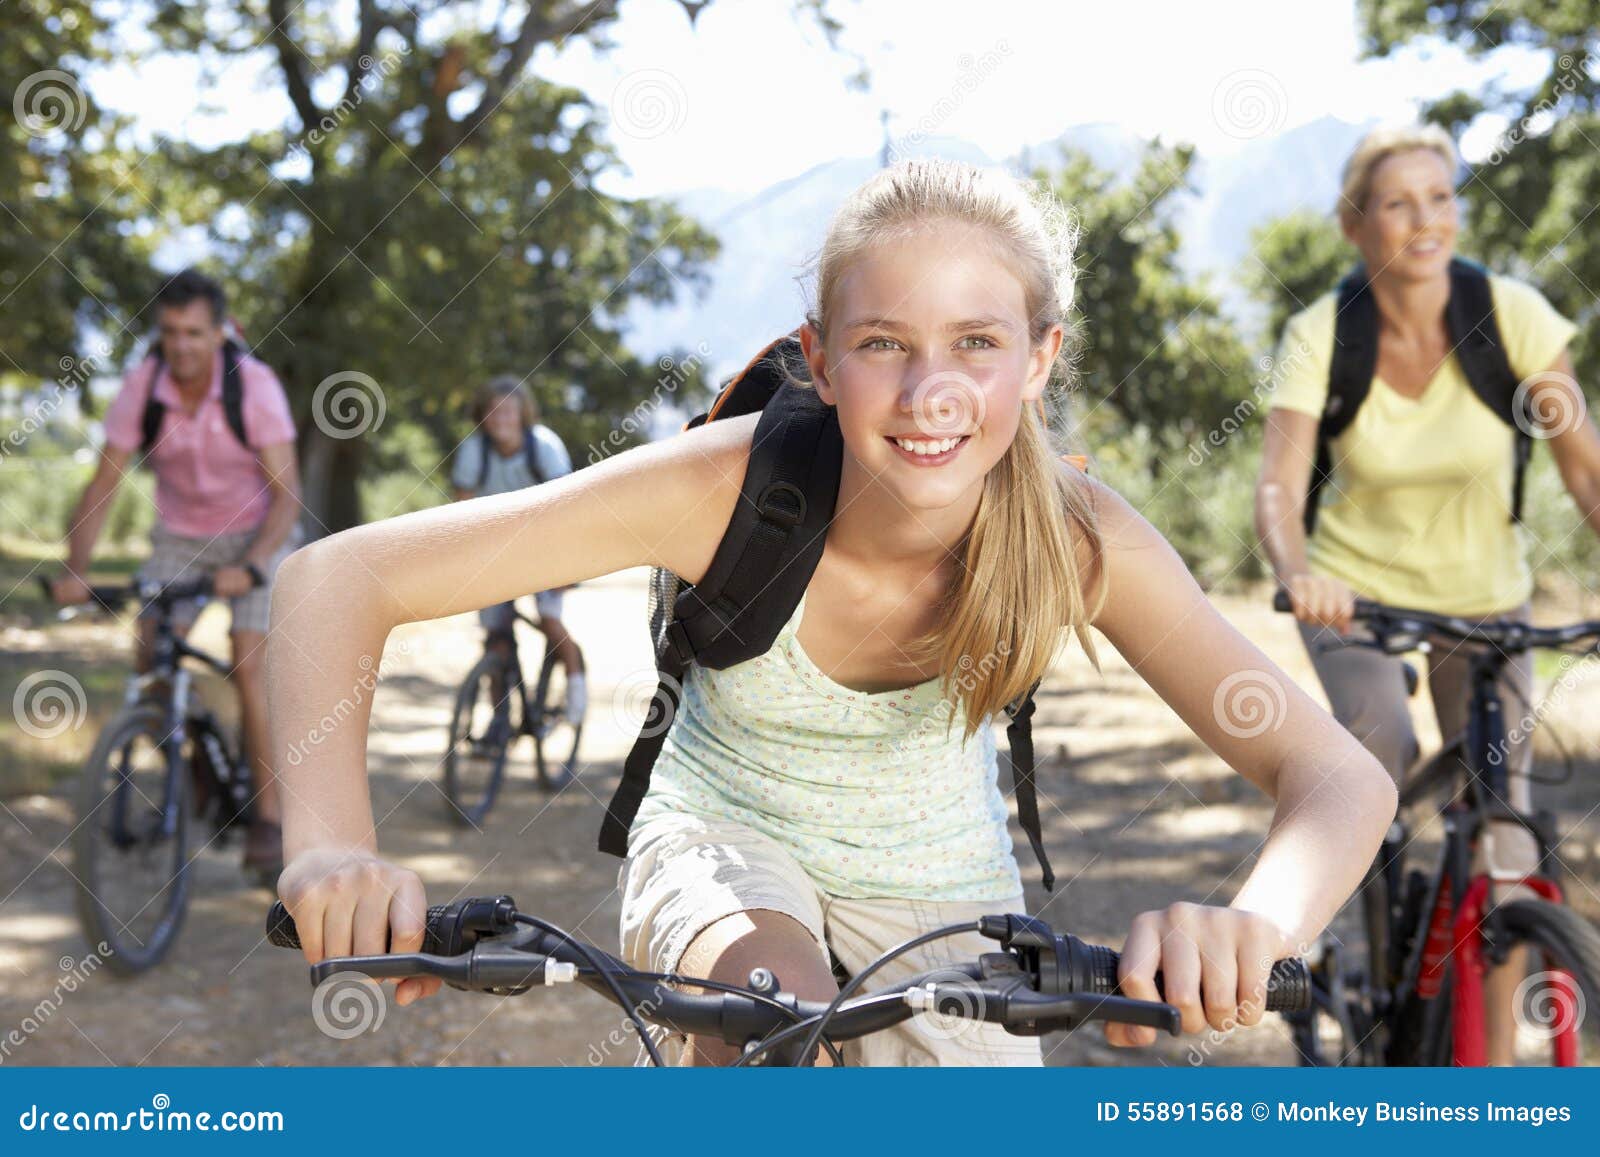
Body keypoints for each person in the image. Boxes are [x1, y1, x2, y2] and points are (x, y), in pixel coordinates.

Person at [269, 158, 1395, 1066]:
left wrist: (1255, 926)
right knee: (777, 1010)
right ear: (818, 357)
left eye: (976, 342)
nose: (928, 391)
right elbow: (338, 580)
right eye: (881, 344)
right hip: (725, 839)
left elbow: (1340, 774)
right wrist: (331, 850)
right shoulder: (721, 487)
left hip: (944, 884)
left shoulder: (1077, 538)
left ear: (1040, 359)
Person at [1255, 124, 1600, 1065]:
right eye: (1399, 202)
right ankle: (1369, 954)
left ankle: (1477, 1066)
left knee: (1507, 833)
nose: (1426, 220)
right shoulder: (1325, 332)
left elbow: (1586, 470)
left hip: (1489, 602)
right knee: (1380, 751)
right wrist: (1299, 574)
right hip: (1357, 599)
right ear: (1355, 225)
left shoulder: (1516, 315)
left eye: (1441, 197)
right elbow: (1280, 487)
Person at [51, 268, 302, 881]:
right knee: (150, 647)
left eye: (195, 332)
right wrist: (73, 569)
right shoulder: (144, 386)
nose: (182, 345)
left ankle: (268, 818)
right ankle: (184, 754)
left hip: (257, 532)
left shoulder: (256, 386)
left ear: (220, 333)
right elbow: (104, 482)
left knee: (249, 662)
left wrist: (252, 564)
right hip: (181, 535)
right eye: (171, 333)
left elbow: (288, 492)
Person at [450, 375, 585, 725]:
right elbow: (462, 512)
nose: (500, 418)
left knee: (550, 620)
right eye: (492, 411)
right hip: (497, 552)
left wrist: (566, 568)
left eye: (508, 410)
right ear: (482, 415)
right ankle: (500, 719)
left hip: (546, 548)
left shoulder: (543, 446)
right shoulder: (474, 451)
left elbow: (566, 505)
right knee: (496, 636)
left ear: (522, 413)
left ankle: (575, 684)